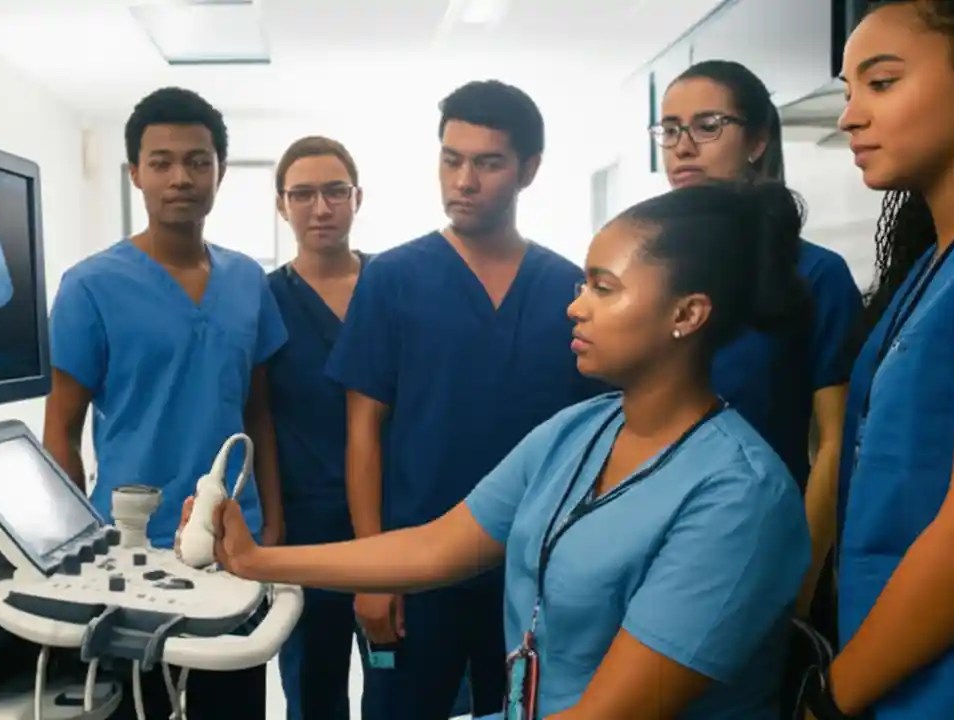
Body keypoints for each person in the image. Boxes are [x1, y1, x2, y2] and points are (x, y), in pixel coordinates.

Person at [184, 179, 814, 720]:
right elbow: (433, 547)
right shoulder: (579, 432)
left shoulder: (738, 497)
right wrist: (256, 559)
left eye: (603, 288)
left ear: (688, 313)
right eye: (582, 285)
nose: (575, 307)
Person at [322, 80, 610, 720]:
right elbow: (363, 431)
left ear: (528, 170)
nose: (464, 180)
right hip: (416, 570)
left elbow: (602, 437)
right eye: (451, 159)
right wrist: (373, 572)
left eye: (487, 162)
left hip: (537, 574)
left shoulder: (570, 289)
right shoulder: (392, 279)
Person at [797, 2, 954, 718]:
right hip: (906, 676)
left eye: (881, 84)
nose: (849, 117)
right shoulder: (933, 267)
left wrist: (833, 698)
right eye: (848, 90)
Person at [43, 86, 286, 719]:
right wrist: (69, 555)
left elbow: (258, 415)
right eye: (161, 162)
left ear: (219, 173)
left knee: (230, 703)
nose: (181, 177)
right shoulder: (91, 286)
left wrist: (274, 527)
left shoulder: (247, 282)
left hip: (234, 541)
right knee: (137, 706)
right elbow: (60, 431)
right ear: (136, 174)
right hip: (128, 549)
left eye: (198, 161)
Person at [654, 59, 864, 621]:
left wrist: (797, 587)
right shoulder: (649, 274)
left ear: (758, 140)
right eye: (670, 129)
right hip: (654, 550)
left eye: (707, 125)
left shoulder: (814, 276)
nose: (682, 146)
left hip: (763, 551)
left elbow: (833, 446)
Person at [266, 135, 369, 719]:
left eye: (335, 192)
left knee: (401, 682)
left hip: (394, 520)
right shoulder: (264, 299)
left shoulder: (393, 286)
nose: (320, 208)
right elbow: (256, 414)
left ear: (358, 198)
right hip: (307, 524)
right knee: (313, 689)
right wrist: (274, 526)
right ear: (282, 205)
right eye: (302, 195)